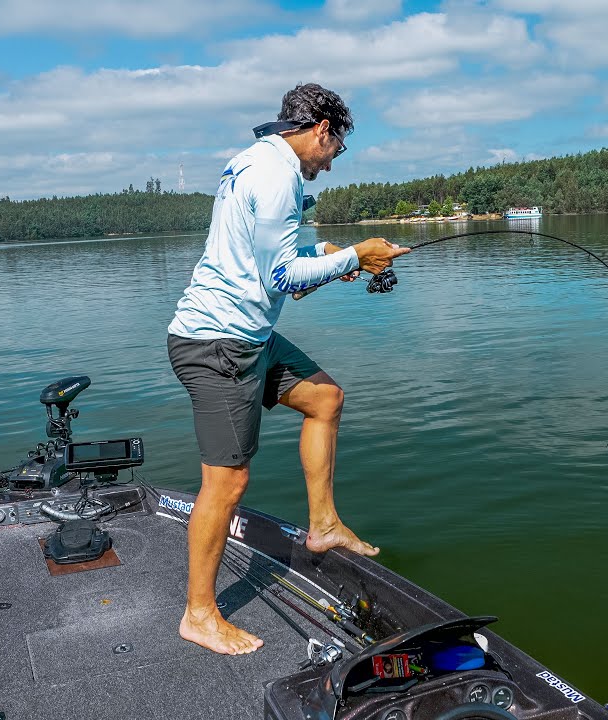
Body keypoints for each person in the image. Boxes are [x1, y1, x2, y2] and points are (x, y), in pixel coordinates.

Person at [166, 83, 411, 655]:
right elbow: (280, 279)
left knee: (325, 398)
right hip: (218, 344)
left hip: (248, 334)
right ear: (322, 130)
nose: (332, 163)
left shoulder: (253, 163)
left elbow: (272, 263)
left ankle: (323, 524)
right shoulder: (278, 177)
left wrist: (325, 260)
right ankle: (199, 614)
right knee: (226, 482)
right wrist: (355, 257)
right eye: (337, 149)